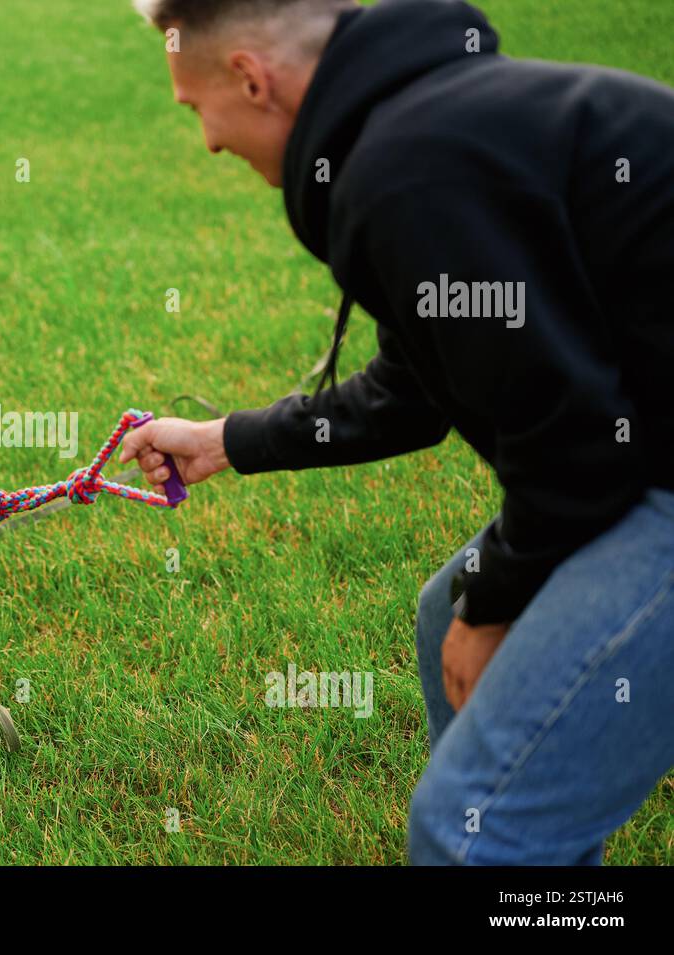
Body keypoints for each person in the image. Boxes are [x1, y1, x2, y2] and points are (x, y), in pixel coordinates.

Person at [119, 0, 674, 864]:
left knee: (467, 831)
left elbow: (572, 438)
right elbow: (417, 390)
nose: (209, 142)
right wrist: (227, 439)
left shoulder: (407, 169)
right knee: (444, 614)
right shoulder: (421, 130)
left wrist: (496, 608)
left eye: (196, 111)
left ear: (250, 78)